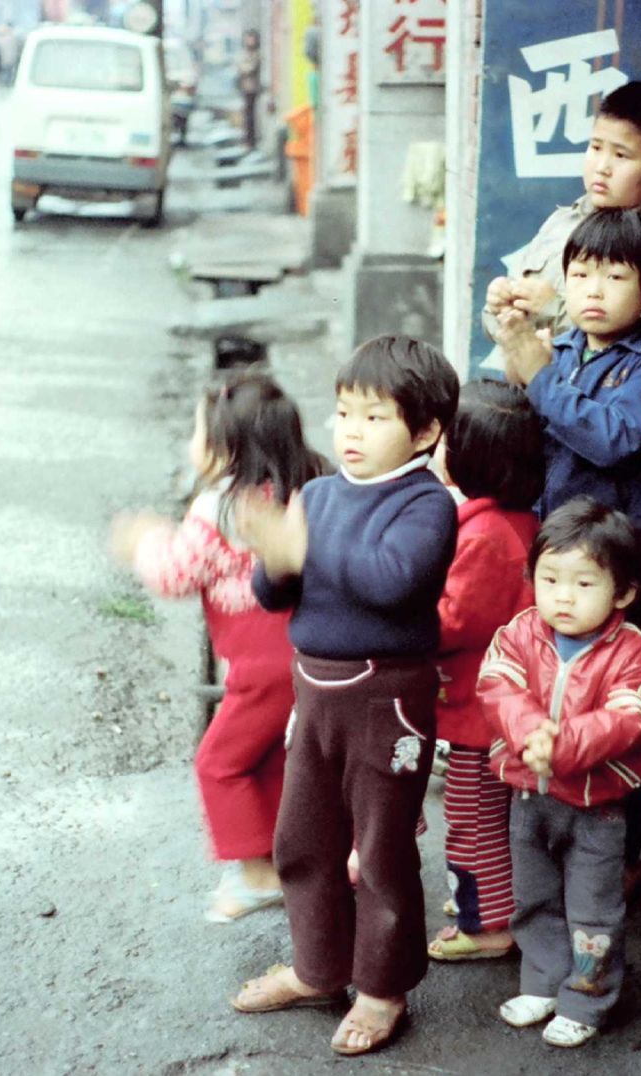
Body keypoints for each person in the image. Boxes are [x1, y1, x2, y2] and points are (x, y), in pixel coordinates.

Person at [230, 335, 460, 1057]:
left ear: (424, 431)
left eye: (374, 418)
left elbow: (391, 580)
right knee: (303, 839)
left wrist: (306, 547)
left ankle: (383, 988)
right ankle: (317, 967)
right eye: (343, 414)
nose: (351, 433)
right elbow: (275, 592)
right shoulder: (321, 493)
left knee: (382, 847)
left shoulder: (428, 505)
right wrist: (272, 553)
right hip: (317, 694)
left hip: (386, 698)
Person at [495, 204, 641, 898]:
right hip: (556, 548)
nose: (593, 291)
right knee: (550, 687)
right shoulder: (566, 346)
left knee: (611, 708)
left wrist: (539, 376)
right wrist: (515, 345)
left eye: (614, 276)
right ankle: (552, 828)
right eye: (580, 275)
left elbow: (613, 438)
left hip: (615, 559)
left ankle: (622, 851)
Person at [110, 372, 327, 923]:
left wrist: (145, 543)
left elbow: (176, 575)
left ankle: (257, 877)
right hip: (308, 653)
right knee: (272, 761)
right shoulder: (308, 485)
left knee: (218, 763)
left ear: (224, 447)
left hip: (259, 666)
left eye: (197, 432)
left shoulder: (218, 507)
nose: (192, 443)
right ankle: (295, 863)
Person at [481, 498, 641, 1049]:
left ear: (624, 592)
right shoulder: (518, 632)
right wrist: (531, 729)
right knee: (532, 897)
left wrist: (561, 745)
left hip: (597, 807)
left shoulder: (631, 651)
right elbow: (496, 685)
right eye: (550, 578)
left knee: (593, 909)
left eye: (584, 584)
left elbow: (630, 716)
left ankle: (587, 996)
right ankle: (542, 980)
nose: (562, 596)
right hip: (529, 799)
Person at [425, 380, 544, 964]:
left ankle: (488, 923)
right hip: (503, 706)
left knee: (472, 819)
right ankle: (487, 899)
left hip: (479, 711)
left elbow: (453, 621)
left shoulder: (482, 537)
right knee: (490, 817)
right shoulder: (516, 522)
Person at [483, 81, 641, 369]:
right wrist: (498, 309)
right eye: (595, 147)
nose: (602, 166)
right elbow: (507, 332)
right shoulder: (562, 223)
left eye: (620, 155)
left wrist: (557, 310)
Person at [236, 29, 261, 150]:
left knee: (251, 116)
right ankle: (248, 140)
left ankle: (251, 141)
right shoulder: (245, 53)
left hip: (254, 88)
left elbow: (250, 68)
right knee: (247, 115)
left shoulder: (256, 54)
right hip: (246, 87)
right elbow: (241, 68)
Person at [0, 22, 17, 87]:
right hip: (10, 60)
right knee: (8, 74)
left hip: (2, 61)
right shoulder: (12, 38)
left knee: (3, 75)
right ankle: (7, 85)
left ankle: (3, 85)